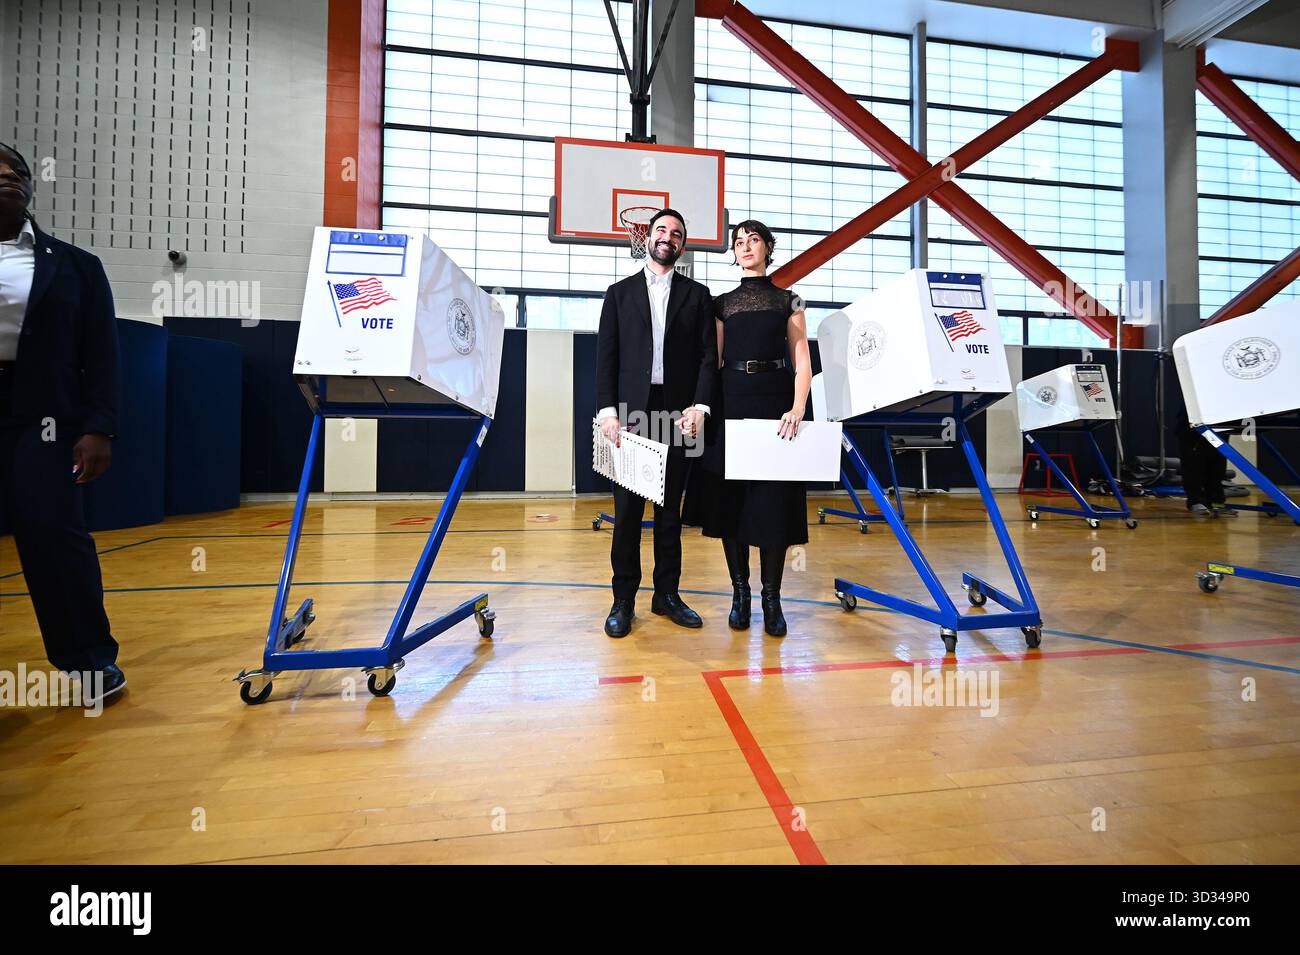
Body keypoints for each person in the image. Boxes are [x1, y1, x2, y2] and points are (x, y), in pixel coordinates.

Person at [0, 142, 126, 704]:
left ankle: (90, 662)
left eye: (17, 172)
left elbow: (101, 354)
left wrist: (98, 426)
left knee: (56, 543)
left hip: (42, 421)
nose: (7, 178)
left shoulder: (75, 266)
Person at [683, 220, 812, 637]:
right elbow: (712, 363)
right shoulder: (721, 304)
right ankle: (741, 594)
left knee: (774, 504)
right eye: (738, 242)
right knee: (731, 503)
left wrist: (797, 407)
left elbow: (802, 362)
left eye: (752, 240)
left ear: (768, 247)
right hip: (731, 403)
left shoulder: (789, 300)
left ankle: (772, 599)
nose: (745, 247)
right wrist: (701, 407)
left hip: (776, 404)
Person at [595, 208, 717, 638]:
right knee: (627, 513)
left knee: (669, 513)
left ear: (683, 244)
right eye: (662, 230)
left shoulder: (697, 295)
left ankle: (666, 594)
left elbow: (707, 358)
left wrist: (700, 407)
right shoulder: (618, 293)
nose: (669, 237)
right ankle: (623, 599)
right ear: (647, 237)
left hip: (677, 412)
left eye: (677, 233)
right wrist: (608, 413)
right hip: (630, 413)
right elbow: (605, 358)